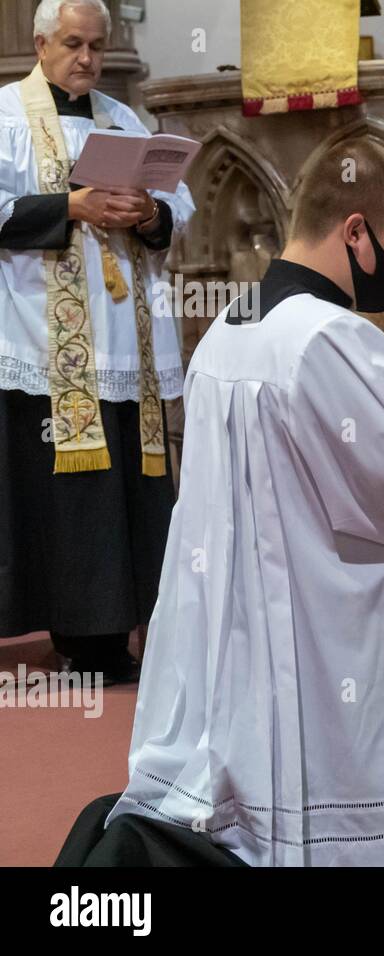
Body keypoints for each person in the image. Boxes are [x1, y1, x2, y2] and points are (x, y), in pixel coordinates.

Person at [58, 138, 384, 866]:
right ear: (355, 232)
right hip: (341, 649)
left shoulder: (229, 331)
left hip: (258, 649)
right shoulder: (330, 340)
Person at [0, 0, 194, 683]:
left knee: (127, 494)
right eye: (74, 44)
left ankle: (132, 627)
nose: (87, 58)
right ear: (40, 43)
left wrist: (151, 213)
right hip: (47, 344)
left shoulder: (123, 119)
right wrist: (71, 206)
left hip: (124, 345)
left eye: (97, 46)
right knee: (69, 499)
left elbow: (183, 207)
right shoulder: (5, 117)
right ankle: (85, 639)